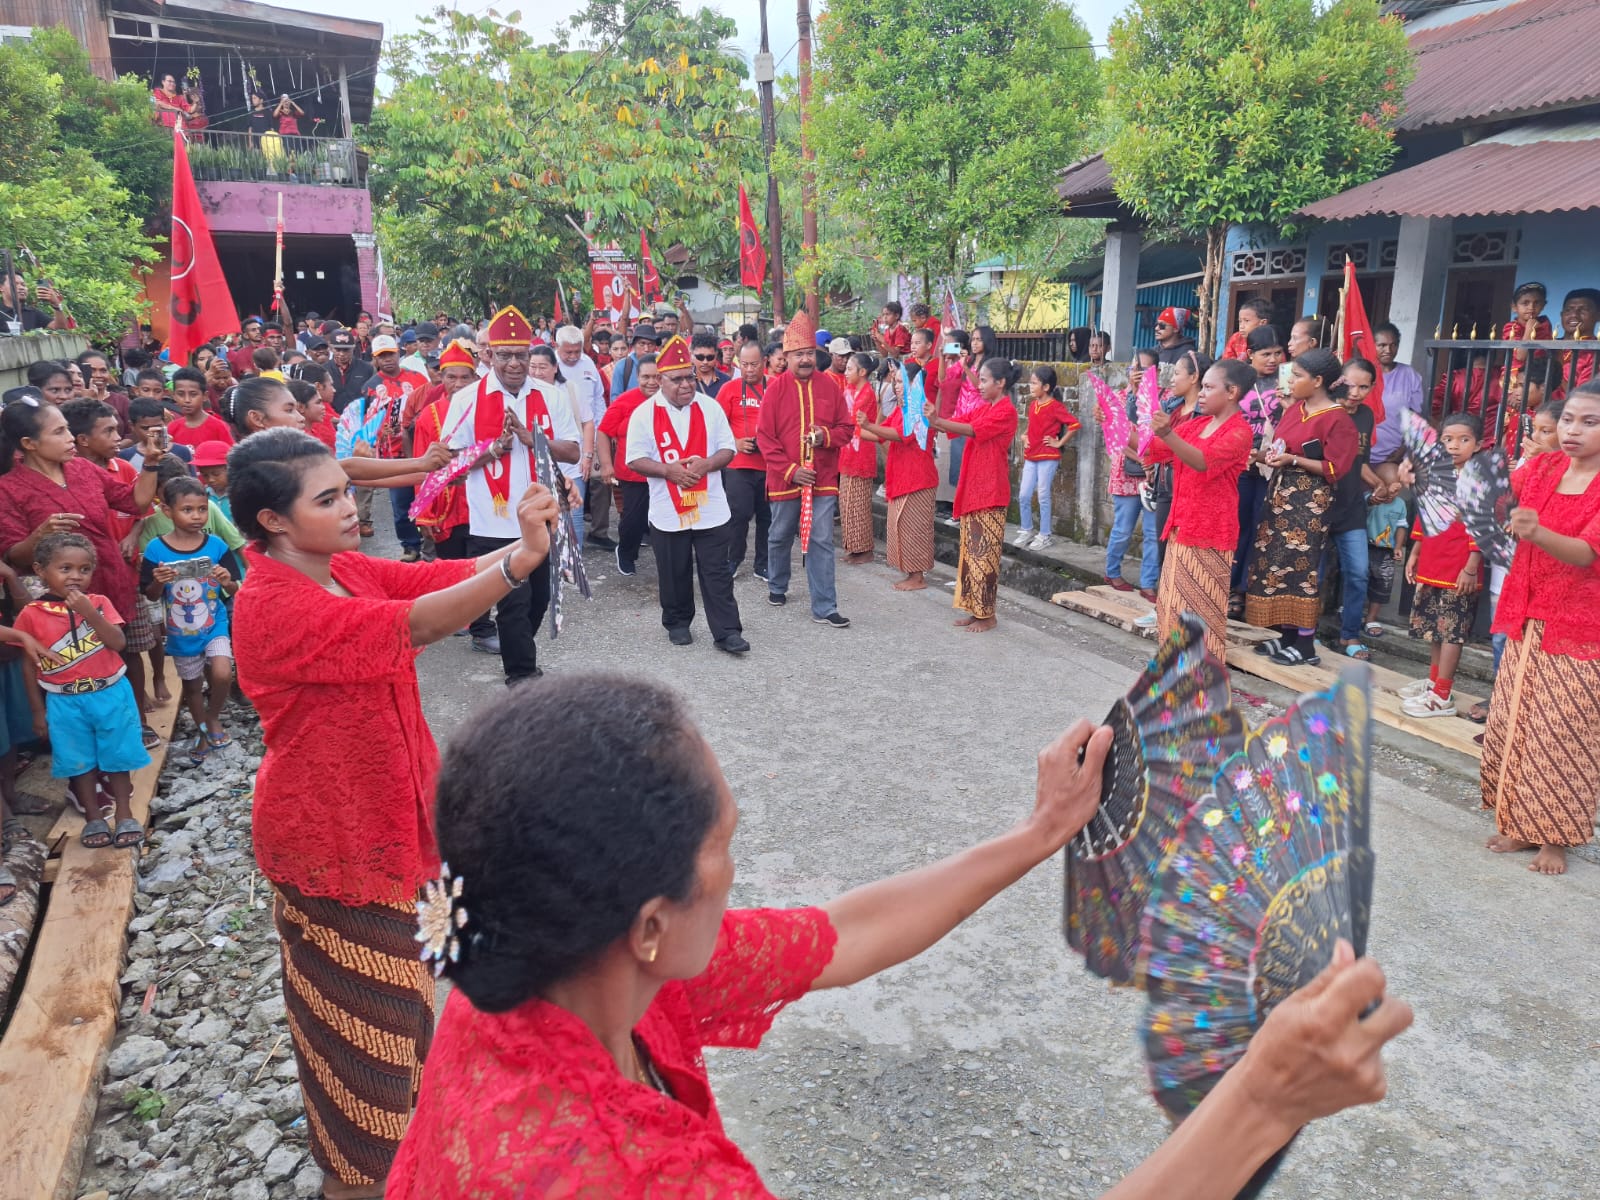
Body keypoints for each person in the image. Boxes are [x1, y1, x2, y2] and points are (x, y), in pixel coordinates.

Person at [388, 673, 1413, 1198]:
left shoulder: (526, 969)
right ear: (651, 924)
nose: (735, 867)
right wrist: (1263, 1099)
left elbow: (842, 934)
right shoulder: (633, 1177)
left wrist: (1040, 832)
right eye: (725, 843)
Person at [227, 426, 557, 1198]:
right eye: (331, 497)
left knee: (414, 1001)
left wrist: (519, 540)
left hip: (409, 822)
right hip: (335, 844)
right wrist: (518, 564)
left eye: (347, 488)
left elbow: (427, 581)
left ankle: (419, 1152)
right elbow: (416, 625)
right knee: (361, 1038)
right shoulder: (271, 605)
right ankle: (361, 1179)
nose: (353, 506)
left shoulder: (337, 566)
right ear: (272, 521)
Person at [1480, 383, 1600, 875]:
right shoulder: (1547, 467)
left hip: (1580, 620)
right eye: (1568, 419)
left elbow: (1587, 553)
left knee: (1565, 731)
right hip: (1529, 612)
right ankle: (1520, 823)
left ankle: (1557, 838)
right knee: (1518, 720)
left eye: (1589, 422)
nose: (1572, 430)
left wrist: (1536, 531)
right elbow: (1498, 494)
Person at [443, 306, 580, 682]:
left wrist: (533, 440)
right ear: (490, 355)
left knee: (540, 599)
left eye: (521, 354)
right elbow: (449, 464)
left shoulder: (551, 396)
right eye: (505, 355)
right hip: (493, 522)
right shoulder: (467, 399)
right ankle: (521, 678)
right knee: (513, 605)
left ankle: (519, 650)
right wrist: (490, 451)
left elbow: (573, 450)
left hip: (543, 517)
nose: (515, 363)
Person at [14, 533, 150, 849]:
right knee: (78, 762)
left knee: (117, 756)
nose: (76, 576)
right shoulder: (31, 614)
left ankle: (125, 815)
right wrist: (37, 712)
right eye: (65, 568)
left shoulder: (99, 603)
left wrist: (89, 613)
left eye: (84, 569)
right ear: (40, 570)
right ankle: (94, 818)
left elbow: (118, 643)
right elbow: (27, 666)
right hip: (63, 700)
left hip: (110, 693)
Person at [623, 336, 747, 653]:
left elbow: (728, 449)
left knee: (717, 572)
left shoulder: (710, 407)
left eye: (689, 376)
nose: (685, 384)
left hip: (711, 508)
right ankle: (677, 623)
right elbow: (634, 458)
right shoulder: (644, 413)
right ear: (660, 381)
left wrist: (707, 464)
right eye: (676, 379)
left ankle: (727, 631)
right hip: (668, 509)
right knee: (673, 571)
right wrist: (668, 471)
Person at [1245, 349, 1359, 667]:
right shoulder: (1296, 409)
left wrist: (1294, 459)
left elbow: (1337, 467)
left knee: (1302, 568)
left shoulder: (1339, 419)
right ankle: (1287, 635)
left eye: (1297, 376)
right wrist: (1260, 454)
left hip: (1310, 502)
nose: (1290, 382)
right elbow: (1281, 447)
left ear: (1318, 381)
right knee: (1275, 562)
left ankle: (1306, 645)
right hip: (1280, 494)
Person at [59, 398, 166, 727]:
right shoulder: (67, 473)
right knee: (96, 651)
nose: (117, 437)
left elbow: (140, 506)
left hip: (123, 568)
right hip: (84, 578)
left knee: (133, 644)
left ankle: (138, 715)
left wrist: (132, 538)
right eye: (108, 431)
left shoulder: (123, 468)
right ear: (83, 441)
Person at [1149, 358, 1255, 659]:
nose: (1203, 393)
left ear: (1232, 391)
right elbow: (1155, 449)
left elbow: (1201, 461)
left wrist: (1168, 433)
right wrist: (1116, 423)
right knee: (1171, 609)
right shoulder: (1197, 424)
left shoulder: (1239, 432)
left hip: (1209, 533)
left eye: (1209, 387)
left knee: (1198, 615)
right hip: (1181, 528)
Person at [757, 311, 853, 628]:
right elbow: (765, 438)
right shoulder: (774, 390)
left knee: (821, 539)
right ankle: (777, 584)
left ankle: (825, 606)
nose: (805, 359)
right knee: (780, 535)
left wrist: (825, 436)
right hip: (785, 480)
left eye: (810, 353)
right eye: (799, 354)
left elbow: (846, 429)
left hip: (822, 479)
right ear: (786, 356)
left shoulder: (830, 387)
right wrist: (790, 470)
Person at [140, 476, 240, 761]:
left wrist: (226, 580)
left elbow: (233, 587)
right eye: (187, 509)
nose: (196, 516)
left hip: (214, 623)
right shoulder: (156, 550)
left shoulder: (217, 545)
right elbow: (149, 594)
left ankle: (213, 716)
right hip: (181, 632)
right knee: (193, 685)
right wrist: (158, 582)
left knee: (222, 672)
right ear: (167, 511)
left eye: (201, 509)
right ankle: (202, 730)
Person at [1398, 413, 1484, 718]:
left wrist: (1471, 567)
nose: (1454, 446)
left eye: (1464, 440)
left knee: (1451, 632)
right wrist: (1415, 552)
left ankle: (1443, 695)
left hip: (1459, 566)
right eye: (1447, 439)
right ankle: (1433, 683)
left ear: (1478, 444)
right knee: (1435, 629)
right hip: (1433, 560)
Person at [926, 357, 1020, 634]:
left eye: (983, 380)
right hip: (975, 488)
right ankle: (975, 609)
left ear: (1000, 383)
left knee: (985, 556)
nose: (979, 385)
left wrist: (938, 419)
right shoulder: (985, 408)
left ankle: (987, 614)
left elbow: (970, 430)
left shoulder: (1006, 411)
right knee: (971, 554)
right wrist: (935, 419)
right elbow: (957, 423)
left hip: (990, 490)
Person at [1322, 358, 1389, 661]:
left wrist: (1379, 485)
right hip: (1319, 505)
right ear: (1338, 381)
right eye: (1351, 384)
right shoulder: (1323, 408)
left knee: (1359, 573)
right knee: (1315, 573)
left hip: (1351, 508)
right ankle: (1303, 633)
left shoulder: (1365, 415)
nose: (1357, 392)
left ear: (1372, 388)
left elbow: (1358, 462)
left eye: (1364, 387)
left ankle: (1349, 636)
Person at [857, 360, 938, 592]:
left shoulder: (921, 408)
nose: (897, 386)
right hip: (903, 476)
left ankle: (918, 576)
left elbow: (899, 434)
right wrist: (853, 430)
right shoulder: (903, 409)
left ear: (915, 383)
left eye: (902, 381)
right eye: (897, 381)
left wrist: (870, 426)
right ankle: (911, 573)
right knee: (902, 526)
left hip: (918, 479)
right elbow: (881, 435)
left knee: (915, 529)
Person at [353, 335, 431, 560]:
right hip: (391, 454)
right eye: (382, 356)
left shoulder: (418, 378)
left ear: (399, 353)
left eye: (391, 354)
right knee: (401, 503)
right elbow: (367, 422)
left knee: (428, 496)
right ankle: (410, 545)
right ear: (375, 359)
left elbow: (431, 405)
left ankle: (430, 542)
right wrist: (380, 433)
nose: (388, 360)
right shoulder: (370, 387)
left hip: (421, 446)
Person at [1138, 351, 1207, 579]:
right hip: (1166, 483)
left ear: (1194, 377)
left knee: (1184, 553)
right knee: (1163, 548)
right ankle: (1162, 606)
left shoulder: (1205, 414)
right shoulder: (1172, 406)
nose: (1172, 379)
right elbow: (1150, 439)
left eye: (1177, 373)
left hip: (1189, 486)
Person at [597, 355, 660, 579]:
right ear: (637, 377)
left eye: (657, 377)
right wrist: (606, 465)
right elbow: (603, 431)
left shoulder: (670, 400)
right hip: (633, 474)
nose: (652, 382)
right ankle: (626, 552)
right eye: (646, 377)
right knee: (634, 520)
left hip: (666, 473)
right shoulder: (624, 401)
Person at [714, 342, 770, 582]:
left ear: (764, 363)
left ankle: (763, 564)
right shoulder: (729, 389)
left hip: (770, 465)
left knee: (767, 516)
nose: (749, 370)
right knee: (739, 514)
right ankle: (733, 559)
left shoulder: (775, 387)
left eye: (754, 364)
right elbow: (715, 424)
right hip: (739, 464)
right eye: (744, 364)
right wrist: (735, 442)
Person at [553, 325, 612, 546]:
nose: (573, 356)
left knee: (582, 494)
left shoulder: (587, 364)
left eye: (577, 351)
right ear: (557, 347)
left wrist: (599, 432)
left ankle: (578, 550)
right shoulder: (548, 365)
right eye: (568, 352)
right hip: (559, 440)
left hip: (588, 434)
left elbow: (597, 399)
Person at [1016, 365, 1079, 551]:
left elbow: (1074, 425)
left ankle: (1045, 534)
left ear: (1046, 387)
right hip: (1031, 455)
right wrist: (1025, 436)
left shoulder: (1055, 407)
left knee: (1043, 495)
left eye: (1034, 383)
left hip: (1048, 456)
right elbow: (1031, 427)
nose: (1030, 386)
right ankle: (1026, 529)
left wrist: (1059, 443)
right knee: (1024, 494)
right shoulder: (1034, 404)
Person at [837, 351, 880, 565]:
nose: (846, 373)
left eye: (850, 369)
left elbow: (853, 424)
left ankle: (864, 549)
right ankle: (853, 547)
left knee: (859, 503)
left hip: (861, 451)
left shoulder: (867, 394)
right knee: (847, 502)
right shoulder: (851, 390)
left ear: (862, 372)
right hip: (848, 450)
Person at [1369, 323, 1426, 483]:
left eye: (1393, 345)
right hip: (1361, 454)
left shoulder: (1409, 375)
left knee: (1392, 485)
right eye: (1382, 345)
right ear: (1372, 345)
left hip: (1392, 455)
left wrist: (1402, 450)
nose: (1388, 350)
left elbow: (1416, 419)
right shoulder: (1364, 372)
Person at [167, 366, 234, 449]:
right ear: (174, 396)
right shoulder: (172, 428)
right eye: (181, 394)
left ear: (205, 396)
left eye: (193, 394)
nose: (187, 400)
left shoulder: (219, 427)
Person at [2, 271, 68, 333]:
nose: (21, 287)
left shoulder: (33, 313)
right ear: (1, 288)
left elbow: (61, 329)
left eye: (23, 285)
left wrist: (56, 304)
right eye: (15, 284)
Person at [610, 323, 661, 396]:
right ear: (633, 345)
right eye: (642, 344)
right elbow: (615, 397)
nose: (646, 349)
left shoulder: (663, 364)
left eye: (650, 344)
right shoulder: (623, 366)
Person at [690, 330, 731, 398]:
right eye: (700, 357)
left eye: (710, 357)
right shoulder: (686, 381)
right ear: (692, 355)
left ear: (716, 355)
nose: (705, 362)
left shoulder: (726, 381)